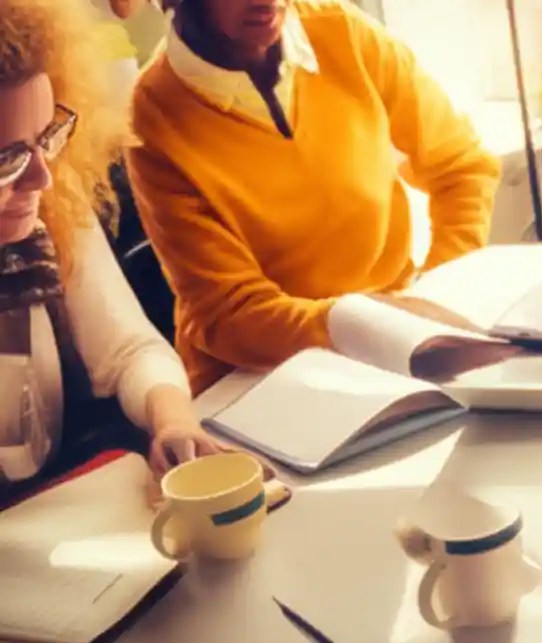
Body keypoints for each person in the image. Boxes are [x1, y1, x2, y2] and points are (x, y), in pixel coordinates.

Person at [125, 0, 501, 394]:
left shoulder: (344, 32)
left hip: (398, 345)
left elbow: (461, 165)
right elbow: (230, 311)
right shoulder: (153, 116)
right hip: (254, 377)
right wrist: (376, 324)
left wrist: (442, 294)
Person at [0, 0, 220, 488]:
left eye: (46, 137)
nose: (42, 177)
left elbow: (128, 350)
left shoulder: (50, 210)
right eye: (7, 159)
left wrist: (173, 421)